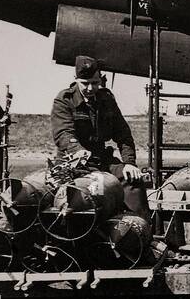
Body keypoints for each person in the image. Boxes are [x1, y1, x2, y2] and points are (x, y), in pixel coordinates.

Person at [50, 55, 148, 218]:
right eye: (85, 83)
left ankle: (139, 232)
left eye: (95, 83)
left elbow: (123, 135)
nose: (90, 88)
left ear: (101, 79)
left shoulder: (106, 99)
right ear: (76, 80)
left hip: (101, 161)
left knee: (133, 180)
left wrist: (129, 163)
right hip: (73, 164)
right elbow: (63, 134)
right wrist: (78, 151)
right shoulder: (64, 100)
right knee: (82, 196)